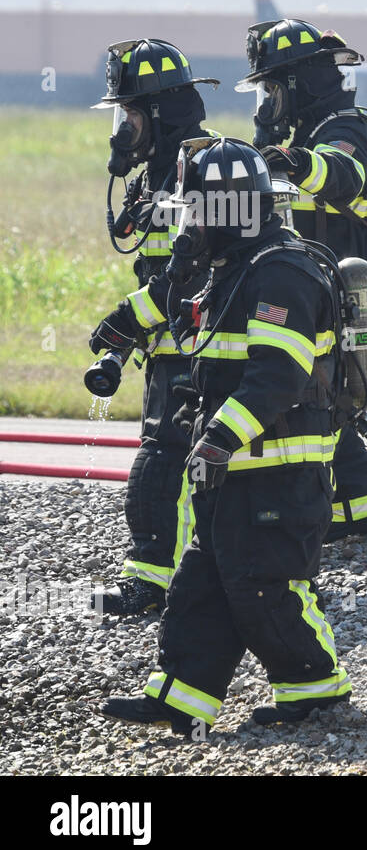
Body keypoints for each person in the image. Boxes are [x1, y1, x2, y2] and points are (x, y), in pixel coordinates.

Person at [101, 137, 351, 736]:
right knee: (202, 583)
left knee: (265, 585)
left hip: (280, 468)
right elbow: (172, 302)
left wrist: (218, 438)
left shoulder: (282, 273)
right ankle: (181, 697)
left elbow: (278, 376)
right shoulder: (232, 270)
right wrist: (118, 329)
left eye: (195, 211)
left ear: (229, 211)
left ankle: (316, 691)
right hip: (234, 464)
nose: (188, 224)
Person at [234, 17, 367, 541]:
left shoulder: (346, 131)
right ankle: (362, 514)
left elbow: (341, 176)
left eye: (273, 90)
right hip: (326, 295)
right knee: (322, 403)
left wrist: (293, 159)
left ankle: (347, 515)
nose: (267, 104)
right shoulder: (313, 130)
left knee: (320, 403)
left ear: (299, 84)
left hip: (350, 301)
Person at [86, 39, 219, 615]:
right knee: (164, 463)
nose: (122, 131)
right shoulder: (159, 175)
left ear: (161, 114)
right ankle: (164, 578)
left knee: (169, 465)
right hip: (169, 351)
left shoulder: (205, 174)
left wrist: (126, 319)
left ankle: (170, 584)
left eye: (130, 116)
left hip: (202, 353)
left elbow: (193, 280)